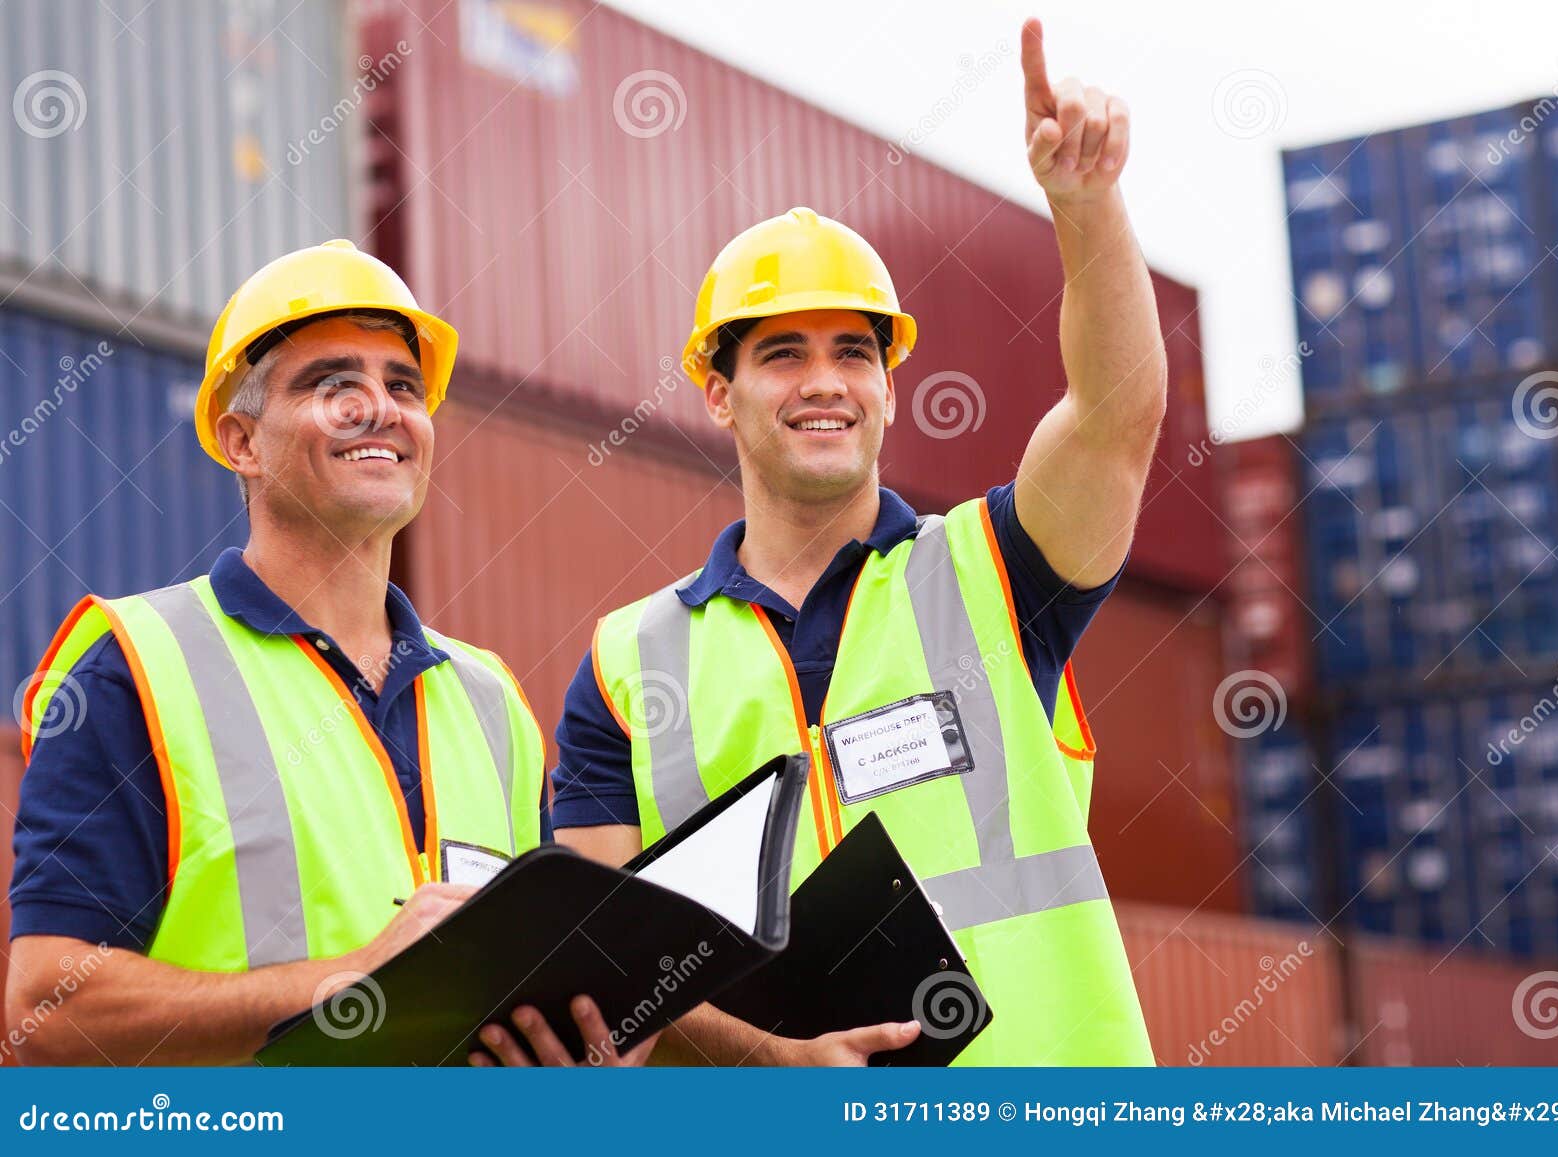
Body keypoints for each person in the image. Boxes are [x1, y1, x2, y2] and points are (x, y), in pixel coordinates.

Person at [552, 19, 1161, 1065]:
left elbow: (1114, 419)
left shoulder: (995, 573)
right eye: (782, 353)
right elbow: (595, 971)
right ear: (716, 392)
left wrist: (1086, 202)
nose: (824, 380)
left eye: (853, 352)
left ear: (888, 385)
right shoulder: (623, 666)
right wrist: (766, 1059)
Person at [5, 241, 649, 1068]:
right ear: (242, 441)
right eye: (333, 383)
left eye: (403, 385)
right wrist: (350, 978)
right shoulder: (135, 669)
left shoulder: (492, 701)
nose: (380, 408)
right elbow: (45, 1012)